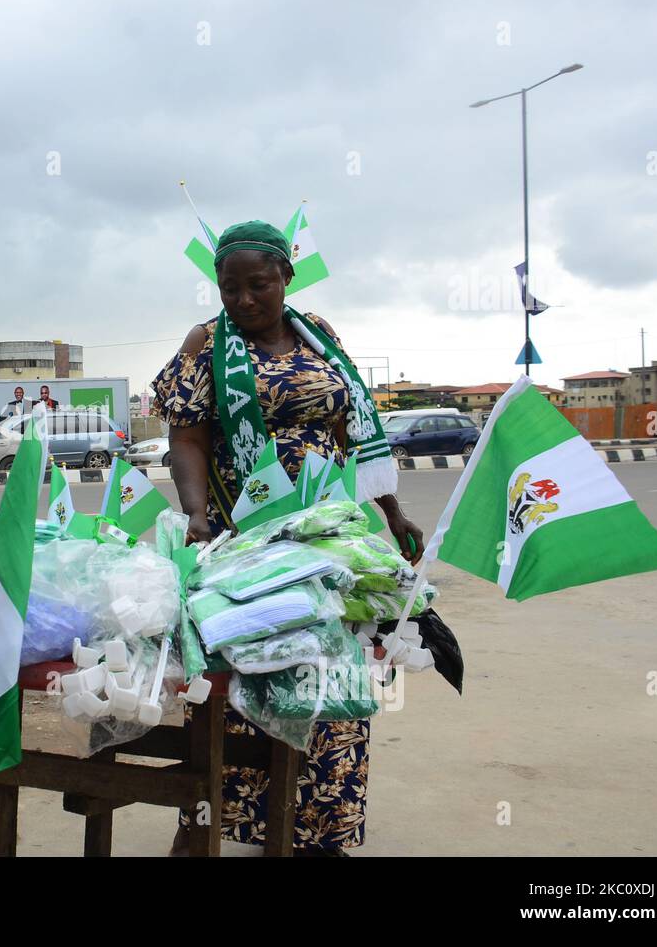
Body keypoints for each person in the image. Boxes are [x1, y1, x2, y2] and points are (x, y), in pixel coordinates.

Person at [152, 219, 424, 855]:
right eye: (229, 288)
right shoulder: (205, 344)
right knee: (238, 674)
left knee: (329, 663)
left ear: (285, 278)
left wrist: (392, 510)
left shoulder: (319, 335)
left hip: (326, 535)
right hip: (242, 535)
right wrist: (194, 514)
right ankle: (224, 818)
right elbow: (186, 437)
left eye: (258, 285)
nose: (244, 300)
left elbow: (358, 429)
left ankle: (318, 826)